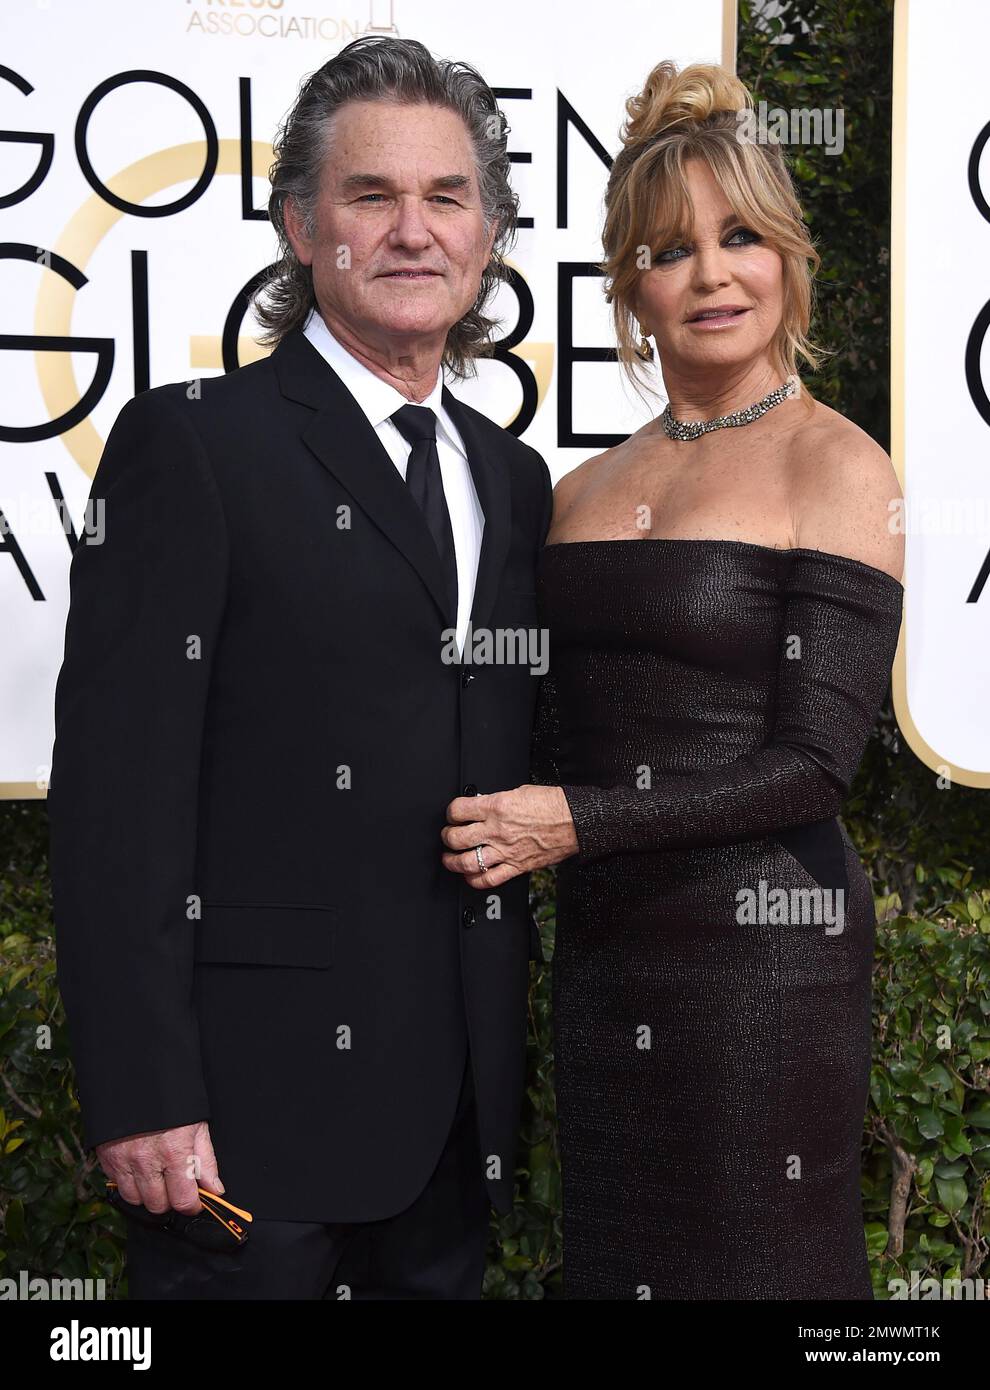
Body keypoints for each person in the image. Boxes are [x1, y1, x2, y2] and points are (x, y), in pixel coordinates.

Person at [48, 35, 550, 1300]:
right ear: (297, 225)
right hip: (239, 1132)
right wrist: (145, 1097)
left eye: (448, 197)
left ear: (488, 234)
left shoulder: (513, 478)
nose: (411, 230)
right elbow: (117, 803)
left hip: (451, 1125)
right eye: (370, 196)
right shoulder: (194, 446)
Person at [442, 59, 904, 1299]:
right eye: (669, 249)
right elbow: (526, 724)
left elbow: (815, 768)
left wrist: (578, 821)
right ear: (630, 289)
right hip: (607, 958)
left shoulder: (839, 468)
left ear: (790, 260)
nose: (710, 275)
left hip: (765, 957)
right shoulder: (578, 490)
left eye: (741, 236)